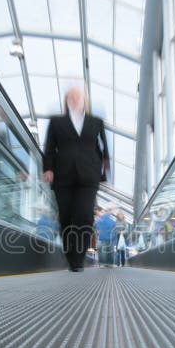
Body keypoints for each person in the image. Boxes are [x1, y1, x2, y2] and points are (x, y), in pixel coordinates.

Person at [43, 87, 111, 272]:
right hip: (62, 175)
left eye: (78, 97)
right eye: (70, 97)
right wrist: (48, 168)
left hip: (88, 175)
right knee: (66, 216)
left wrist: (105, 171)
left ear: (84, 100)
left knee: (85, 215)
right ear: (66, 101)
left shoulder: (96, 122)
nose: (74, 99)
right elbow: (49, 146)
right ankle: (70, 254)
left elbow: (103, 147)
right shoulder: (57, 122)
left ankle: (78, 258)